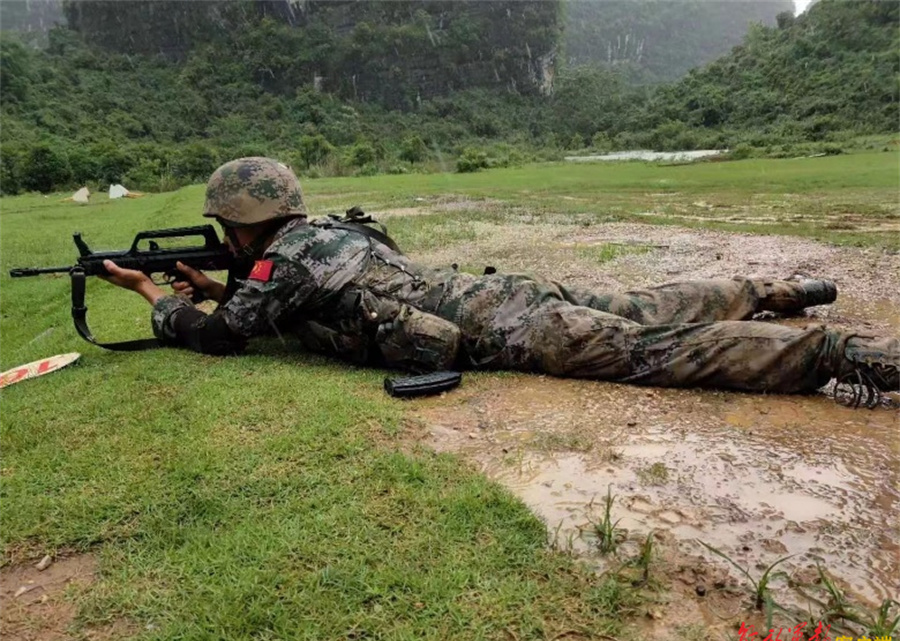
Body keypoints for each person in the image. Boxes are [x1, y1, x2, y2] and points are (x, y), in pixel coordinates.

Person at [101, 157, 899, 403]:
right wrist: (218, 288)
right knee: (641, 304)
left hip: (509, 328)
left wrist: (157, 302)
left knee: (655, 349)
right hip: (500, 291)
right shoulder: (333, 231)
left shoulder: (281, 262)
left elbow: (223, 337)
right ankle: (776, 288)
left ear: (239, 221)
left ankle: (841, 353)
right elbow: (299, 299)